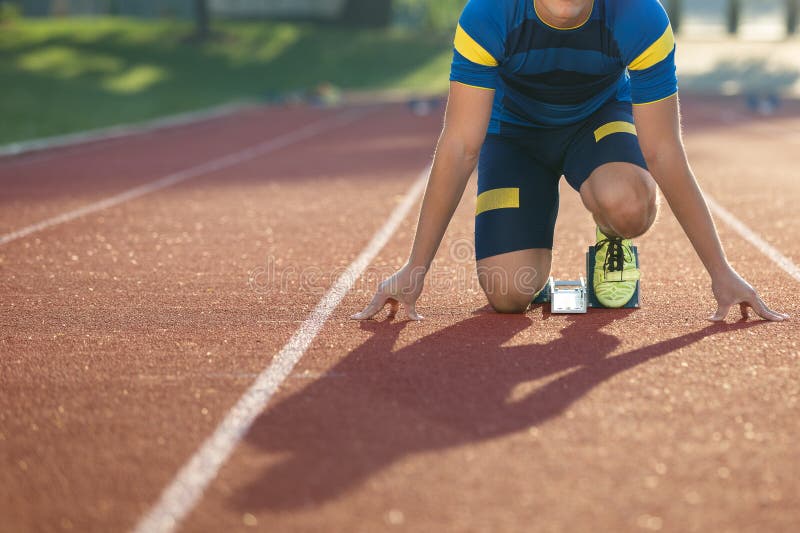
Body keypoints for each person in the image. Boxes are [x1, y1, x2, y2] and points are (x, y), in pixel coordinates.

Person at [354, 0, 787, 322]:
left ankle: (610, 238)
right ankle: (534, 257)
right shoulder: (488, 14)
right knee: (509, 293)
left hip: (597, 124)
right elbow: (460, 145)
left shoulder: (641, 17)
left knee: (630, 205)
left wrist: (720, 270)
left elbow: (664, 150)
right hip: (514, 136)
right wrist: (417, 266)